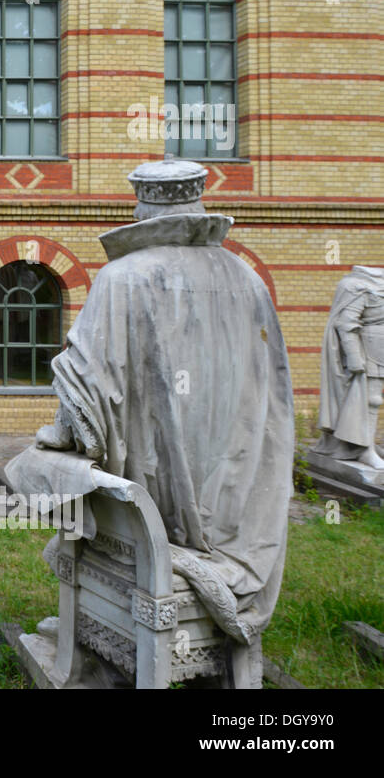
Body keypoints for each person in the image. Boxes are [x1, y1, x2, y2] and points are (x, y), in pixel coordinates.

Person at [24, 158, 294, 651]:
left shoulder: (123, 277)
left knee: (68, 485)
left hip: (154, 493)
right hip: (233, 502)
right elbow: (272, 395)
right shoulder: (248, 278)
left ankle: (84, 623)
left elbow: (85, 384)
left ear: (142, 206)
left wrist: (60, 435)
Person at [309, 266, 384, 472]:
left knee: (373, 400)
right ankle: (363, 449)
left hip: (379, 349)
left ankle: (366, 445)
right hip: (365, 350)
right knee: (369, 400)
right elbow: (346, 322)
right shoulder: (356, 286)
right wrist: (353, 355)